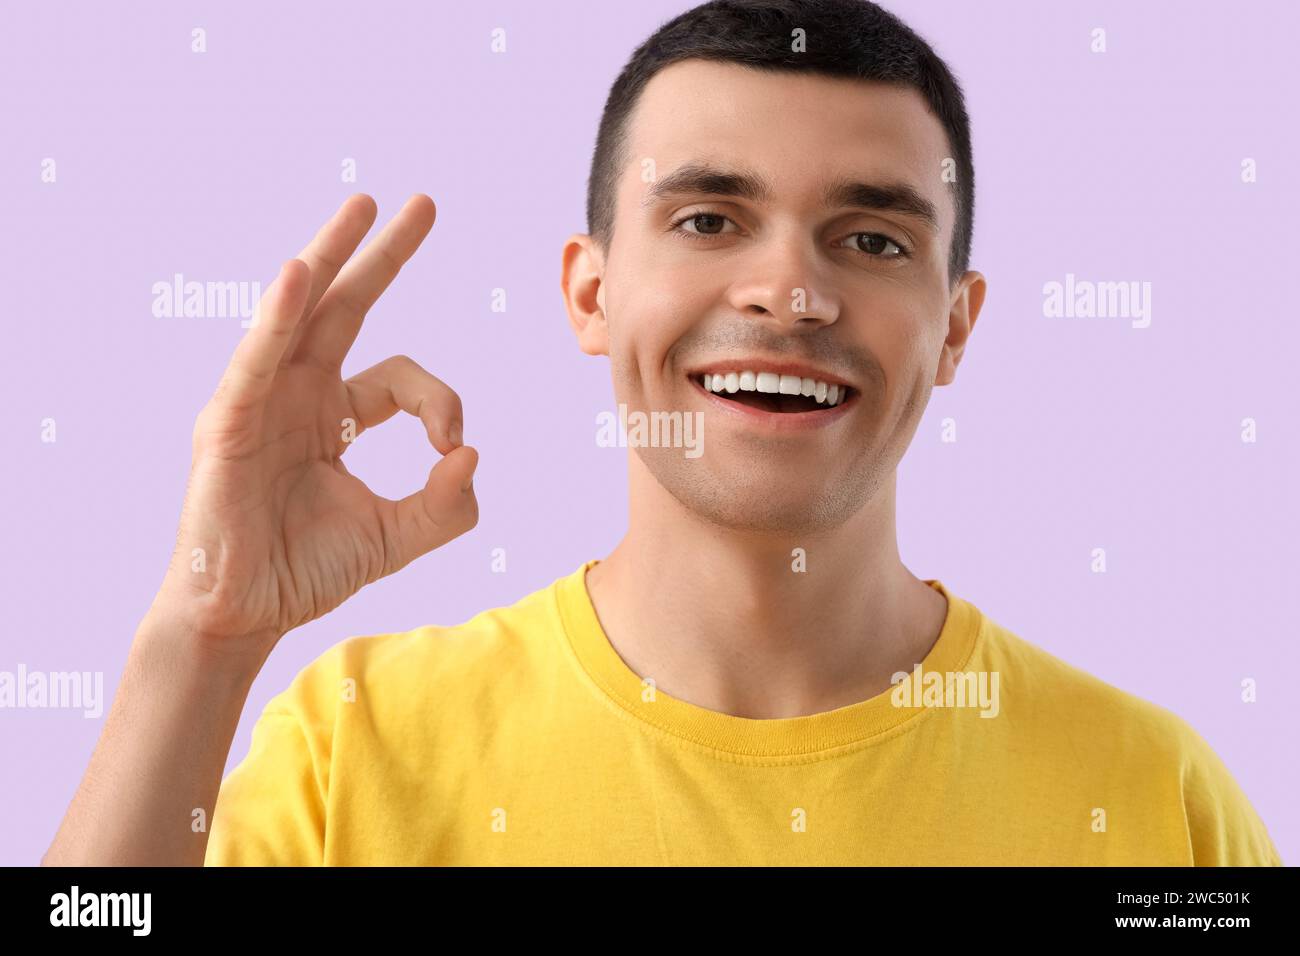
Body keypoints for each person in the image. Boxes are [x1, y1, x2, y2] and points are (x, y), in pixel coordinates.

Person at [44, 0, 1281, 866]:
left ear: (955, 327)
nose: (787, 293)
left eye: (872, 239)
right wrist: (200, 637)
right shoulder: (351, 749)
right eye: (706, 220)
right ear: (589, 292)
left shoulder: (1156, 798)